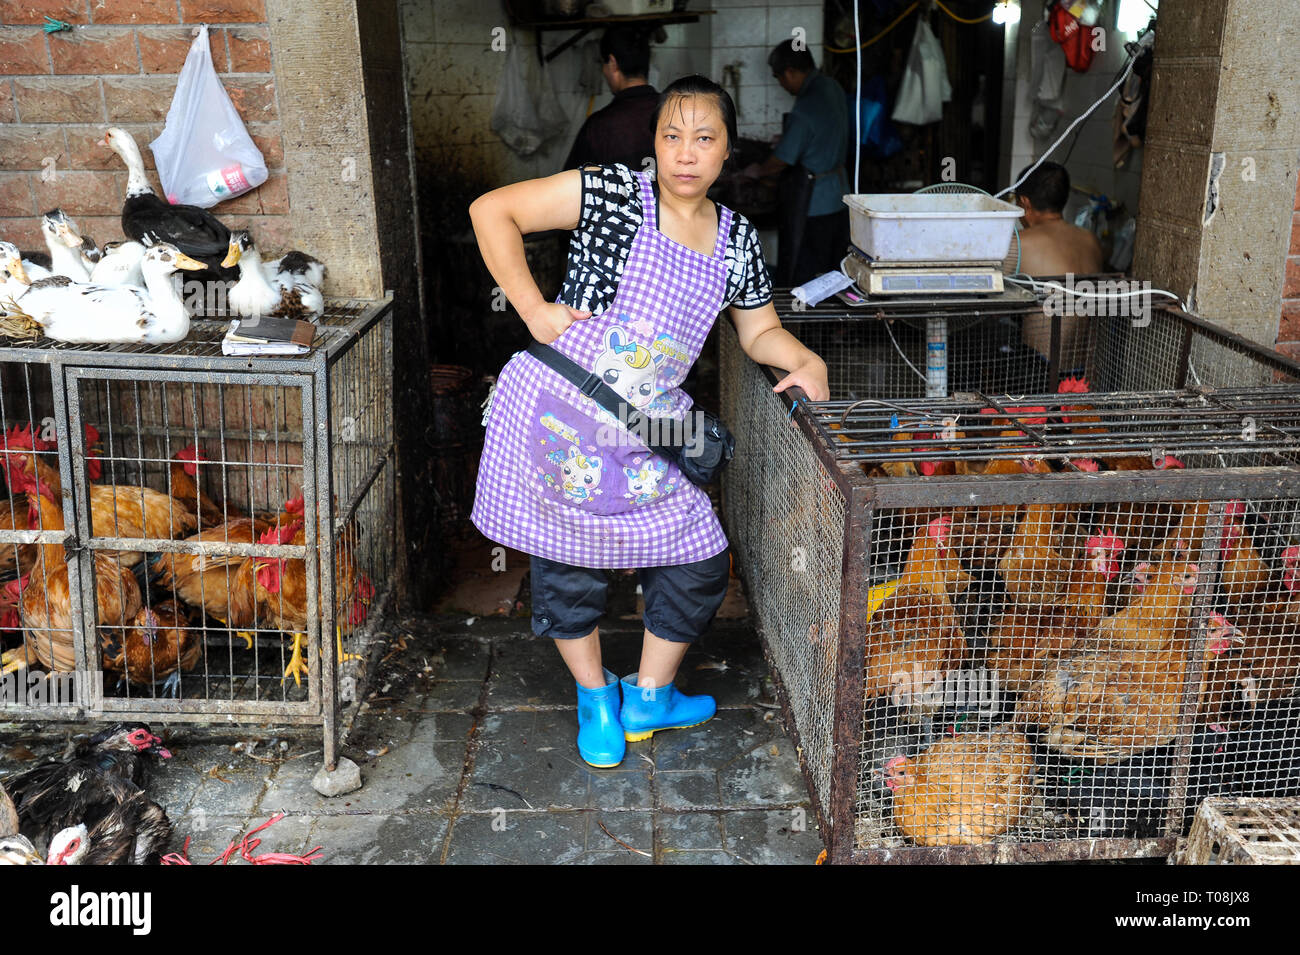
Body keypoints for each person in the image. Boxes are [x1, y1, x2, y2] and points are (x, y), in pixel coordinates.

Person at [469, 75, 829, 770]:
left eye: (704, 138)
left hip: (651, 424)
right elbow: (493, 211)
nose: (685, 153)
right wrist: (534, 309)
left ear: (728, 153)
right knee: (568, 565)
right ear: (654, 144)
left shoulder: (737, 239)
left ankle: (650, 695)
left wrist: (804, 356)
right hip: (566, 414)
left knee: (697, 557)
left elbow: (759, 332)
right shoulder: (610, 194)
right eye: (671, 136)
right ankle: (596, 697)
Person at [740, 40, 850, 286]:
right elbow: (824, 133)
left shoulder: (805, 108)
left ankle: (807, 322)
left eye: (779, 77)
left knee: (808, 271)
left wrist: (757, 170)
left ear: (790, 71)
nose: (781, 84)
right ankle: (837, 323)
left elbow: (782, 160)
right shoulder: (832, 87)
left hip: (814, 204)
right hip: (840, 195)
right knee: (834, 267)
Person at [1013, 161, 1104, 372]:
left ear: (1024, 203)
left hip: (1038, 368)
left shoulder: (1020, 242)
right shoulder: (1091, 240)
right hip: (1080, 369)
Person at [564, 26, 658, 171]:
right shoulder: (671, 111)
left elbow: (573, 185)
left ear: (613, 63)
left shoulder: (599, 127)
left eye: (603, 63)